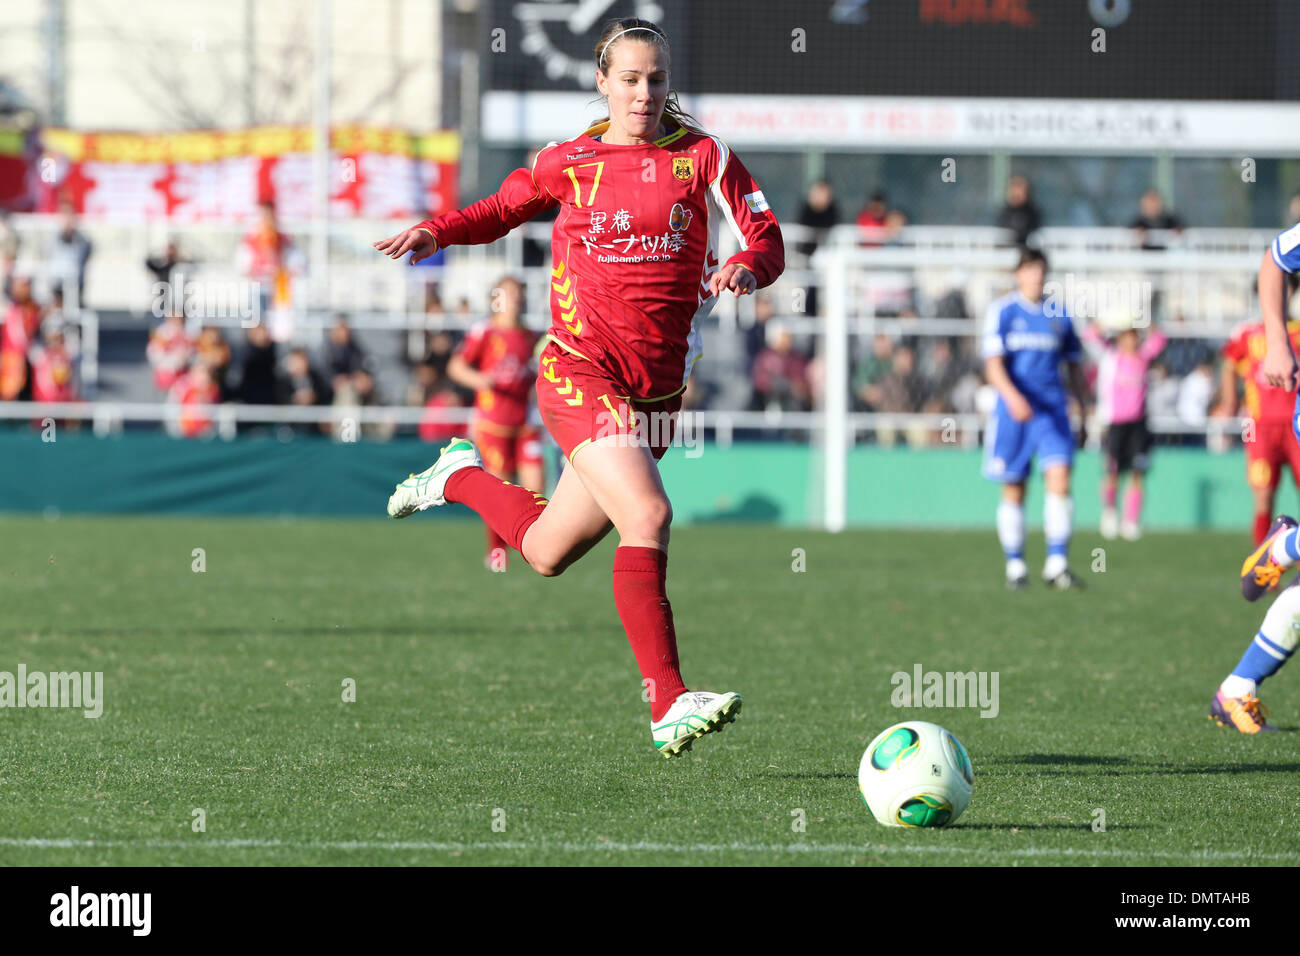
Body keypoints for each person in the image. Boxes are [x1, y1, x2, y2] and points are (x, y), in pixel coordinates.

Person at [374, 16, 784, 758]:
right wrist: (438, 231)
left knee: (544, 551)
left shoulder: (704, 158)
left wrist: (746, 268)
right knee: (650, 514)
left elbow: (767, 238)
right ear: (602, 81)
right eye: (629, 78)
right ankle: (667, 701)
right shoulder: (570, 162)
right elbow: (501, 210)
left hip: (657, 399)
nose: (644, 92)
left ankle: (458, 476)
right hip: (578, 370)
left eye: (656, 79)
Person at [981, 248, 1089, 589]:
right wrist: (1013, 398)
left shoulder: (1060, 315)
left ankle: (1057, 564)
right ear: (1018, 274)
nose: (1036, 277)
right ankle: (1016, 566)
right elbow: (993, 365)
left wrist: (1083, 411)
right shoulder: (1002, 311)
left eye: (1041, 271)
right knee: (1014, 487)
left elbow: (1074, 367)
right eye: (1030, 270)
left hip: (1052, 411)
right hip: (1013, 413)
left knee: (1060, 480)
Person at [446, 276, 546, 570]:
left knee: (535, 490)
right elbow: (456, 366)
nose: (516, 299)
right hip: (493, 424)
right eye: (510, 293)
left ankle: (535, 548)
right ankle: (497, 550)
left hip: (525, 422)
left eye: (519, 293)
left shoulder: (531, 335)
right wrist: (482, 380)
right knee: (500, 491)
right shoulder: (484, 332)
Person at [1217, 276, 1300, 545]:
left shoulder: (1298, 330)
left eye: (1286, 289)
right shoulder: (1247, 333)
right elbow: (1229, 365)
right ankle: (1262, 562)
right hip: (1257, 427)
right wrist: (1230, 401)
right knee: (1262, 495)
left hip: (1296, 423)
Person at [1082, 316, 1166, 541]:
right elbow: (1089, 335)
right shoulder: (1110, 358)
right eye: (1127, 336)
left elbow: (1160, 338)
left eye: (1134, 335)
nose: (1131, 340)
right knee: (1112, 470)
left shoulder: (1143, 358)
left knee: (1137, 472)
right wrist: (1113, 319)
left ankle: (1131, 520)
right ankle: (1110, 512)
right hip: (1116, 423)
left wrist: (1142, 319)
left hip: (1138, 424)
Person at [996, 175, 1040, 247]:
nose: (1017, 194)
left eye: (1020, 189)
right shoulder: (1004, 212)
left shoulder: (1032, 213)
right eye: (1014, 189)